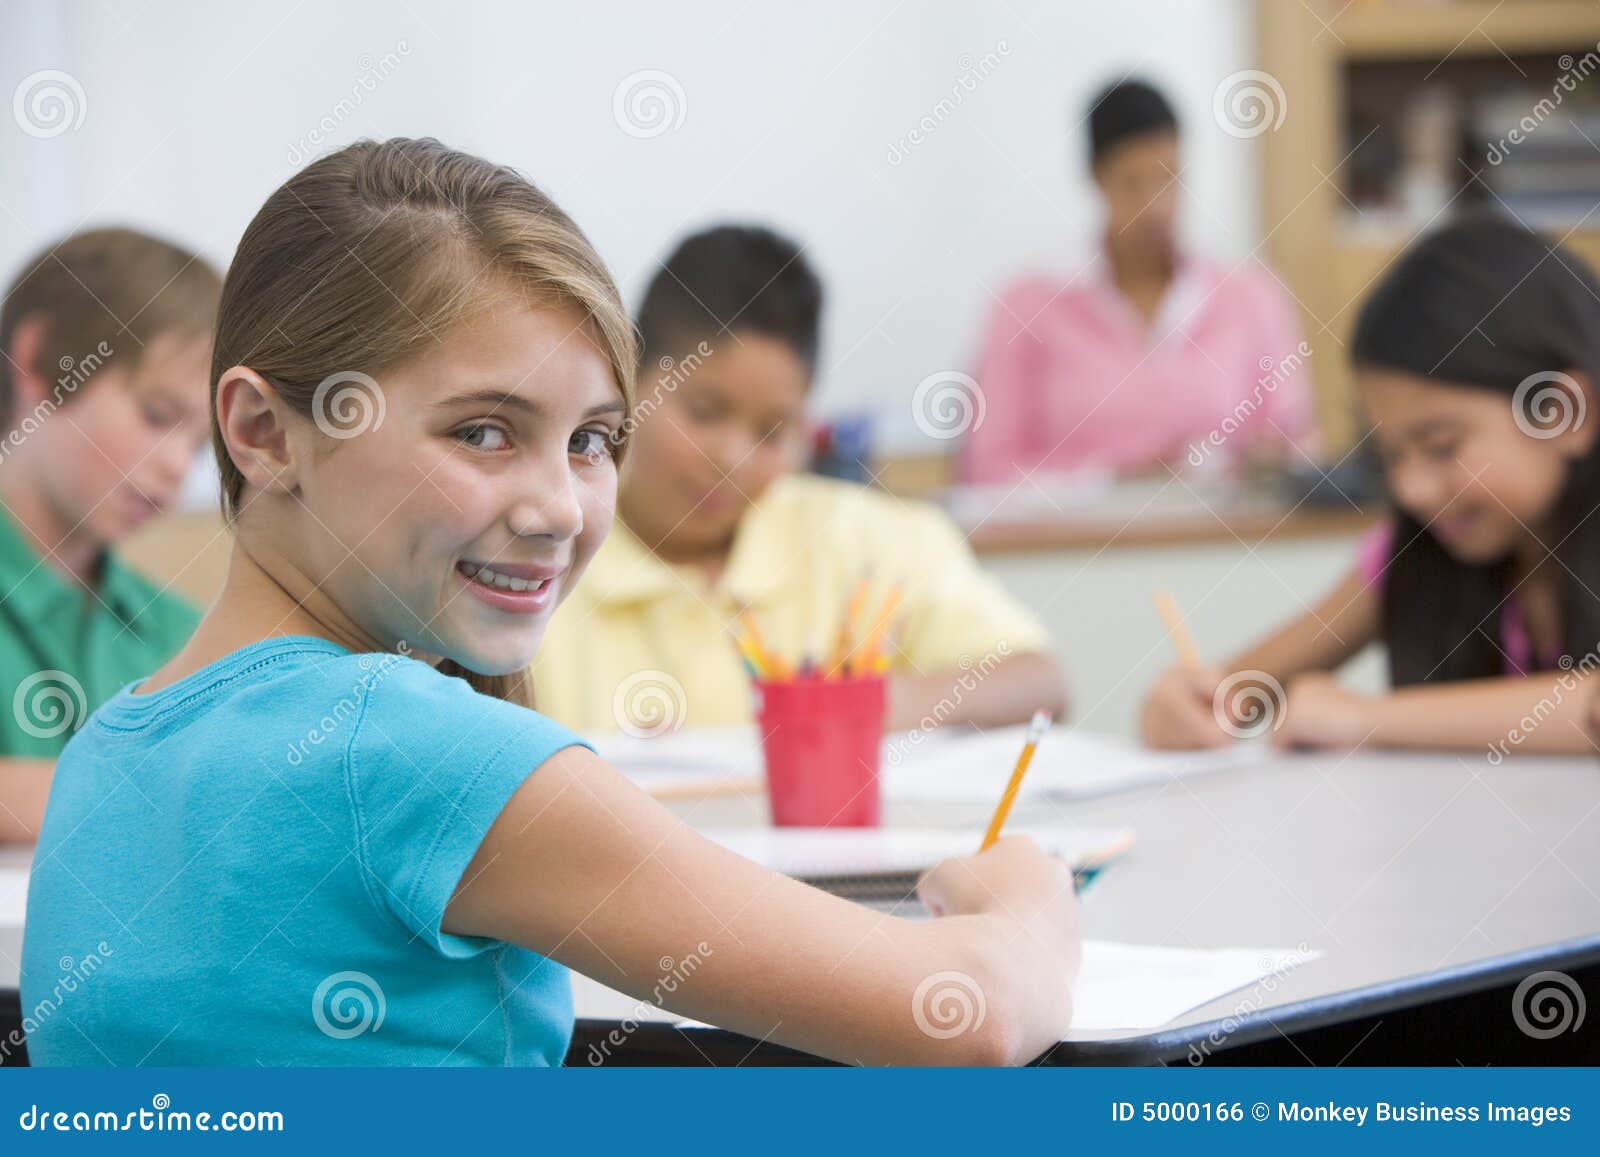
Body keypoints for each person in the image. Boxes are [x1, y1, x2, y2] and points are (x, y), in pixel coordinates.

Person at [22, 139, 1081, 1066]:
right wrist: (1027, 897)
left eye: (591, 440)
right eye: (482, 431)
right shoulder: (420, 753)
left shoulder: (103, 752)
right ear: (263, 432)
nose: (560, 509)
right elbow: (969, 1014)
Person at [534, 224, 1066, 734]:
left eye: (772, 432)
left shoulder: (865, 540)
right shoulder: (546, 565)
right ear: (627, 378)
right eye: (704, 412)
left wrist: (870, 707)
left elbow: (1038, 680)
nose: (734, 460)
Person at [1142, 216, 1600, 755]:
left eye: (1442, 446)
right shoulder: (1416, 555)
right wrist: (1183, 707)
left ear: (1563, 412)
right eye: (1391, 456)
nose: (1412, 489)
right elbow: (1232, 692)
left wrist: (1367, 718)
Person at [963, 78, 1316, 484]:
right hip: (1074, 526)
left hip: (1226, 523)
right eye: (1132, 183)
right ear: (1097, 179)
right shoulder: (1027, 307)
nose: (1156, 207)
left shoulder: (1252, 296)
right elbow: (988, 471)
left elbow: (1299, 445)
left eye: (1169, 180)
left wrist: (1268, 461)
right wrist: (1113, 480)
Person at [0, 227, 221, 842]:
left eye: (199, 445)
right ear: (41, 360)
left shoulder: (183, 638)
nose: (177, 466)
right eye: (156, 414)